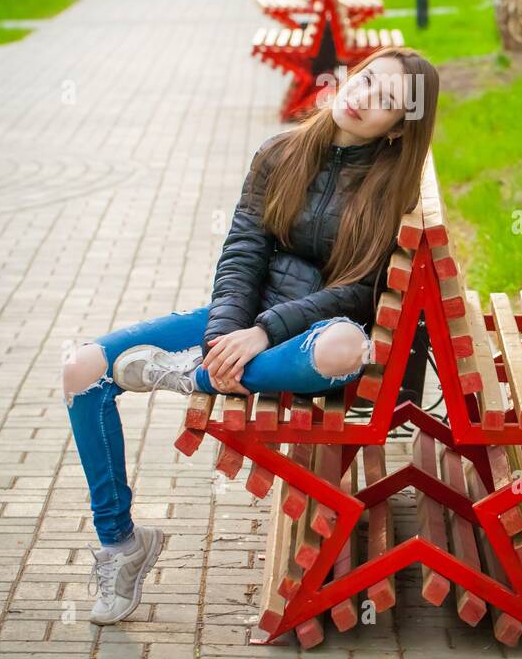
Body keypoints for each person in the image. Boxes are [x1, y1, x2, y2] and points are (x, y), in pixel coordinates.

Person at [61, 46, 439, 625]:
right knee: (83, 369)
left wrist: (264, 333)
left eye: (386, 101)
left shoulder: (391, 188)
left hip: (313, 339)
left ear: (398, 130)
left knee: (346, 348)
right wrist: (223, 336)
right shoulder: (280, 153)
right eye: (366, 82)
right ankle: (121, 543)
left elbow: (360, 290)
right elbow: (242, 253)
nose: (364, 99)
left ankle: (193, 374)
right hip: (245, 318)